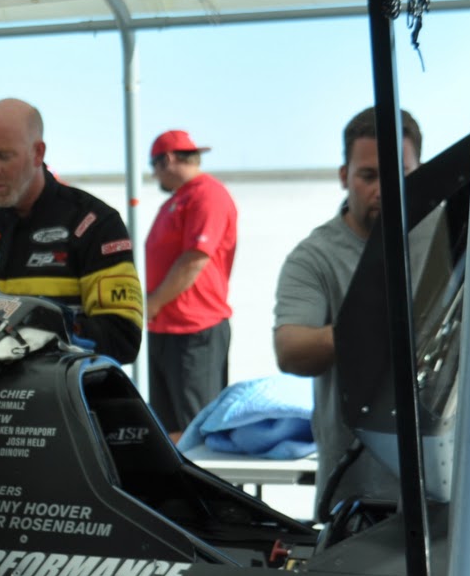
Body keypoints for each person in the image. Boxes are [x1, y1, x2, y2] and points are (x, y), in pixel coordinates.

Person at [272, 106, 428, 510]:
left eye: (400, 174)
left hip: (450, 486)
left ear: (421, 170)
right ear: (345, 176)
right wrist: (376, 327)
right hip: (356, 495)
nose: (384, 189)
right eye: (369, 176)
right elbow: (291, 350)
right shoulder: (314, 258)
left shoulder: (453, 236)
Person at [0, 98, 143, 363]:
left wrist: (36, 322)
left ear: (38, 153)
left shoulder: (94, 224)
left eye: (3, 156)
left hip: (60, 396)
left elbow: (123, 339)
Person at [144, 129, 238, 439]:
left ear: (167, 160)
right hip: (166, 329)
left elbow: (195, 259)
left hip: (194, 330)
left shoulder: (206, 194)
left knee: (198, 432)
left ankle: (202, 488)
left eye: (153, 165)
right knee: (169, 432)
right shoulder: (180, 198)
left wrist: (153, 303)